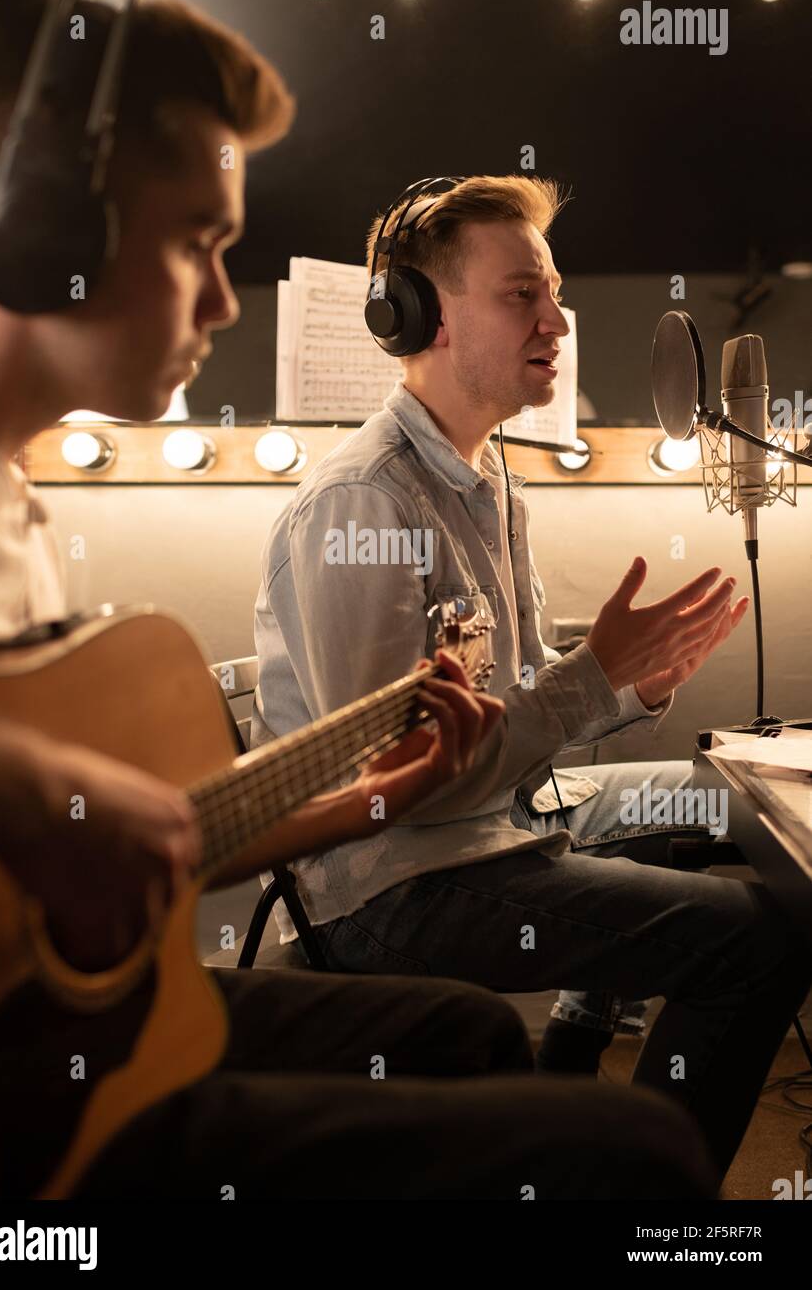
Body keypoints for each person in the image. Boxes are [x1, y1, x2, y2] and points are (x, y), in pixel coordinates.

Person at [0, 0, 718, 1200]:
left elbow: (176, 853)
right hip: (3, 1098)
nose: (217, 297)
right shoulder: (353, 499)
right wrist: (30, 788)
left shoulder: (8, 506)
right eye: (198, 242)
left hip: (85, 1017)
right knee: (645, 1149)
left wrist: (381, 788)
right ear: (34, 223)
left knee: (487, 1023)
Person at [250, 172, 812, 1183]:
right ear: (416, 314)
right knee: (760, 941)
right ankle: (653, 1208)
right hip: (400, 884)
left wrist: (627, 685)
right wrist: (589, 680)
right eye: (522, 295)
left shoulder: (482, 480)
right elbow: (396, 786)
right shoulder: (360, 506)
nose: (556, 319)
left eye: (552, 294)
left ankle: (564, 1062)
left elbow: (509, 700)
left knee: (733, 806)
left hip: (492, 818)